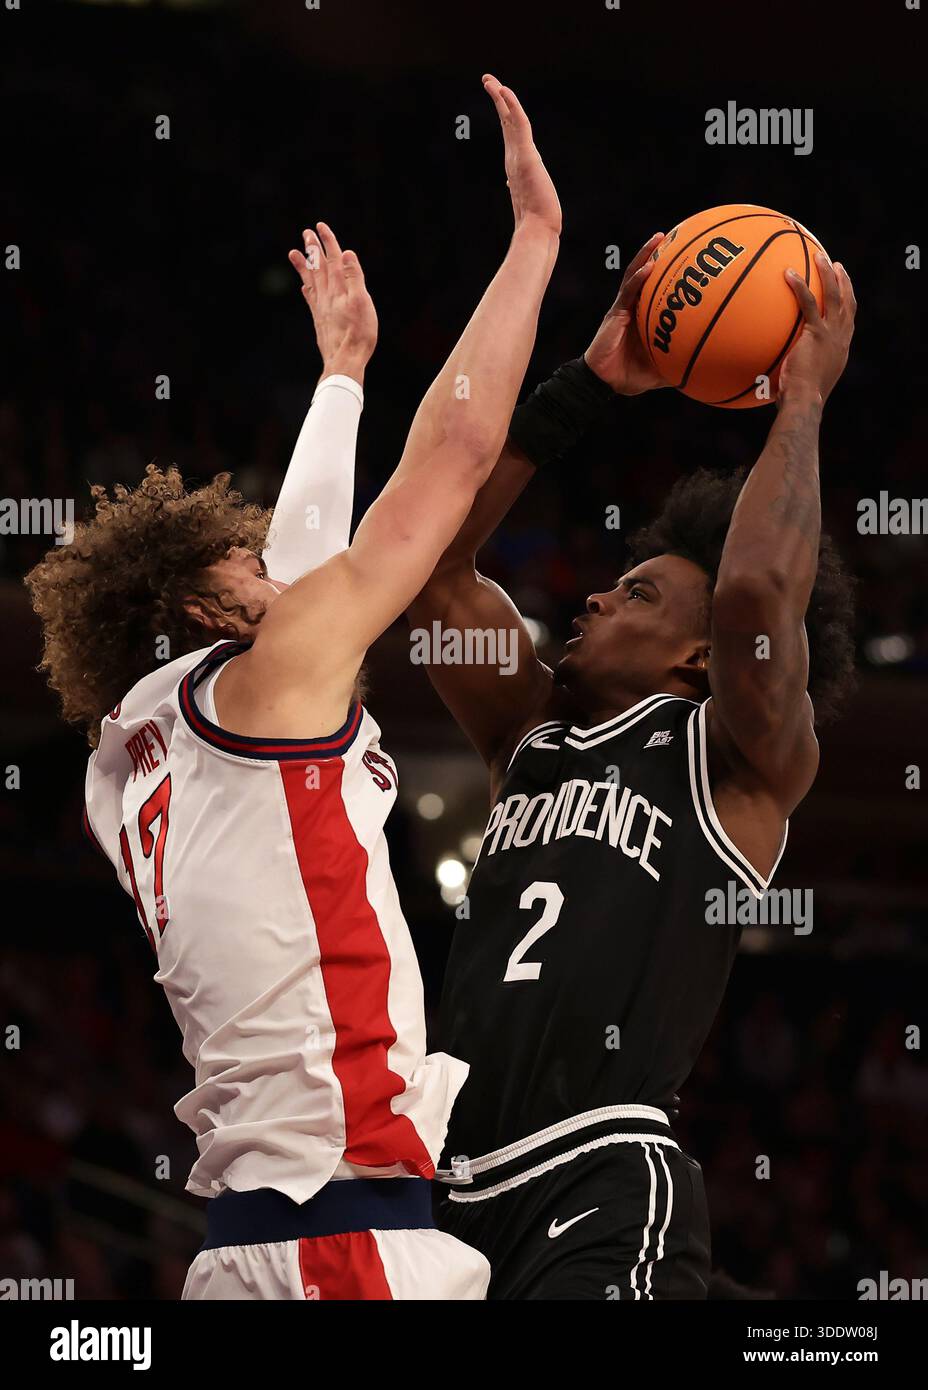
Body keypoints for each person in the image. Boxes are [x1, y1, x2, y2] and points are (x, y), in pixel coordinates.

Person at [26, 76, 562, 1301]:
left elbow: (307, 562)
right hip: (347, 1237)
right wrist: (534, 243)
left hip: (253, 1242)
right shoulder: (266, 680)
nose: (268, 553)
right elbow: (457, 455)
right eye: (239, 556)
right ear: (209, 611)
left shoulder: (137, 744)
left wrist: (343, 372)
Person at [407, 237, 857, 1298]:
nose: (598, 597)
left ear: (695, 657)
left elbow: (752, 599)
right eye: (613, 584)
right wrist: (586, 386)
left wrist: (800, 402)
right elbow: (426, 565)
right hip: (438, 1191)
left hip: (598, 1178)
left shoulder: (734, 758)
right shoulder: (529, 734)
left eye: (640, 596)